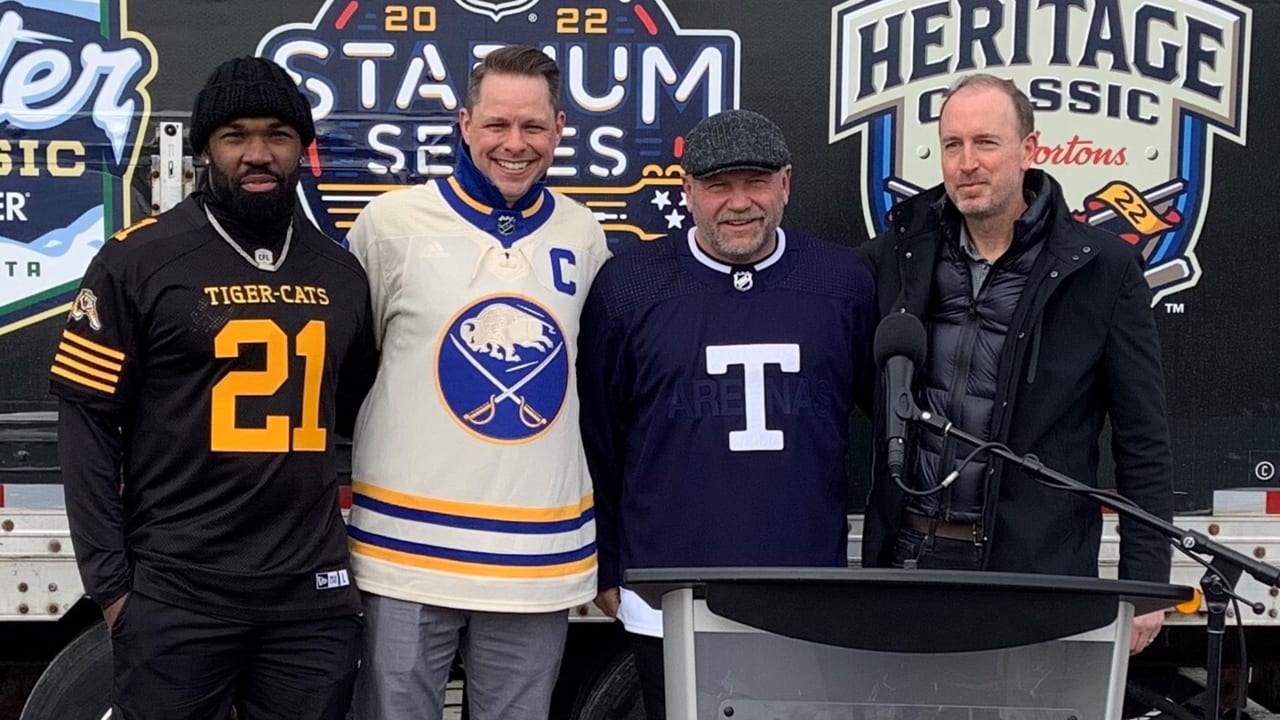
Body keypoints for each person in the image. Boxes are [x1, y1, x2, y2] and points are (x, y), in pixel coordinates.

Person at [50, 56, 377, 719]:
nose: (258, 154)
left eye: (278, 135)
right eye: (235, 136)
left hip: (309, 602)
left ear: (303, 148)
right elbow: (85, 427)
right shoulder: (138, 259)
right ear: (204, 149)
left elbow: (355, 410)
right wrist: (113, 588)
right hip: (179, 594)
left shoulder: (341, 272)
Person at [578, 108, 877, 720]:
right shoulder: (628, 284)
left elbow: (882, 412)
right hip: (669, 587)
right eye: (718, 186)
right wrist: (608, 560)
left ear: (787, 184)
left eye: (756, 182)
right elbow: (599, 436)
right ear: (686, 191)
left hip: (803, 586)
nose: (739, 203)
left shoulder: (843, 281)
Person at [859, 74, 1174, 655]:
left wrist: (1148, 581)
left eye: (986, 143)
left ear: (1029, 150)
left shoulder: (1101, 270)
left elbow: (1142, 435)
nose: (966, 163)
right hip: (911, 559)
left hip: (1035, 572)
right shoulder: (898, 255)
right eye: (952, 145)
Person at [344, 45, 610, 720]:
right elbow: (352, 372)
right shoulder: (390, 225)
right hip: (405, 554)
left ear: (559, 130)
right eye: (497, 125)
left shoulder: (584, 235)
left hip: (534, 562)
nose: (513, 144)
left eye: (532, 127)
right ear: (465, 124)